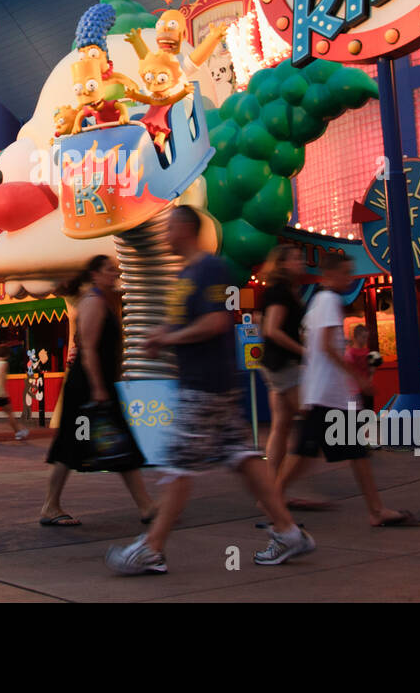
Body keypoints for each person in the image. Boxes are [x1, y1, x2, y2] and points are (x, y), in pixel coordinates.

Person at [106, 207, 315, 574]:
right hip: (204, 385)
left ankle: (152, 548)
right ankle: (289, 532)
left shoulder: (211, 269)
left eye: (169, 227)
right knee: (243, 458)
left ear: (185, 229)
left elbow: (217, 321)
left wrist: (170, 336)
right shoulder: (184, 275)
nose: (165, 234)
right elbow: (184, 321)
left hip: (205, 386)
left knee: (178, 466)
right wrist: (161, 336)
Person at [273, 252, 420, 527]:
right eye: (345, 273)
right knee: (308, 454)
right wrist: (358, 377)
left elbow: (316, 344)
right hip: (326, 395)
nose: (349, 278)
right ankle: (273, 501)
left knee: (344, 452)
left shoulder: (318, 301)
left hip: (325, 393)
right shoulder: (329, 300)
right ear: (330, 275)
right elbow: (326, 346)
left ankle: (376, 510)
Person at [42, 254, 155, 527]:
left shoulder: (103, 300)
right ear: (95, 274)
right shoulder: (93, 302)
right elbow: (89, 349)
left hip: (96, 385)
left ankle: (51, 506)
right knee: (91, 444)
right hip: (88, 386)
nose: (114, 273)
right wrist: (99, 389)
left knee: (88, 445)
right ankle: (146, 507)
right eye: (109, 270)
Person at [257, 245, 308, 502]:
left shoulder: (283, 291)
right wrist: (303, 350)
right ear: (283, 264)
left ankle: (272, 490)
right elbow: (272, 330)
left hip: (275, 363)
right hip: (284, 364)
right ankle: (276, 491)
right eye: (296, 258)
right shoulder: (280, 293)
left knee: (282, 425)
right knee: (313, 420)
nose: (301, 262)